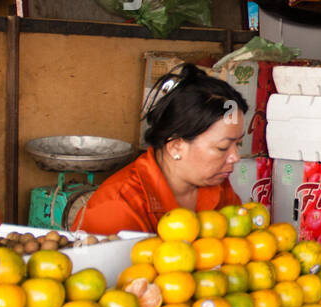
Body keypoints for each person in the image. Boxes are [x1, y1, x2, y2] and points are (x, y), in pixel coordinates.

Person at [79, 64, 248, 234]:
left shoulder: (217, 186)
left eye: (238, 144)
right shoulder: (118, 207)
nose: (235, 157)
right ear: (176, 147)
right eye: (223, 147)